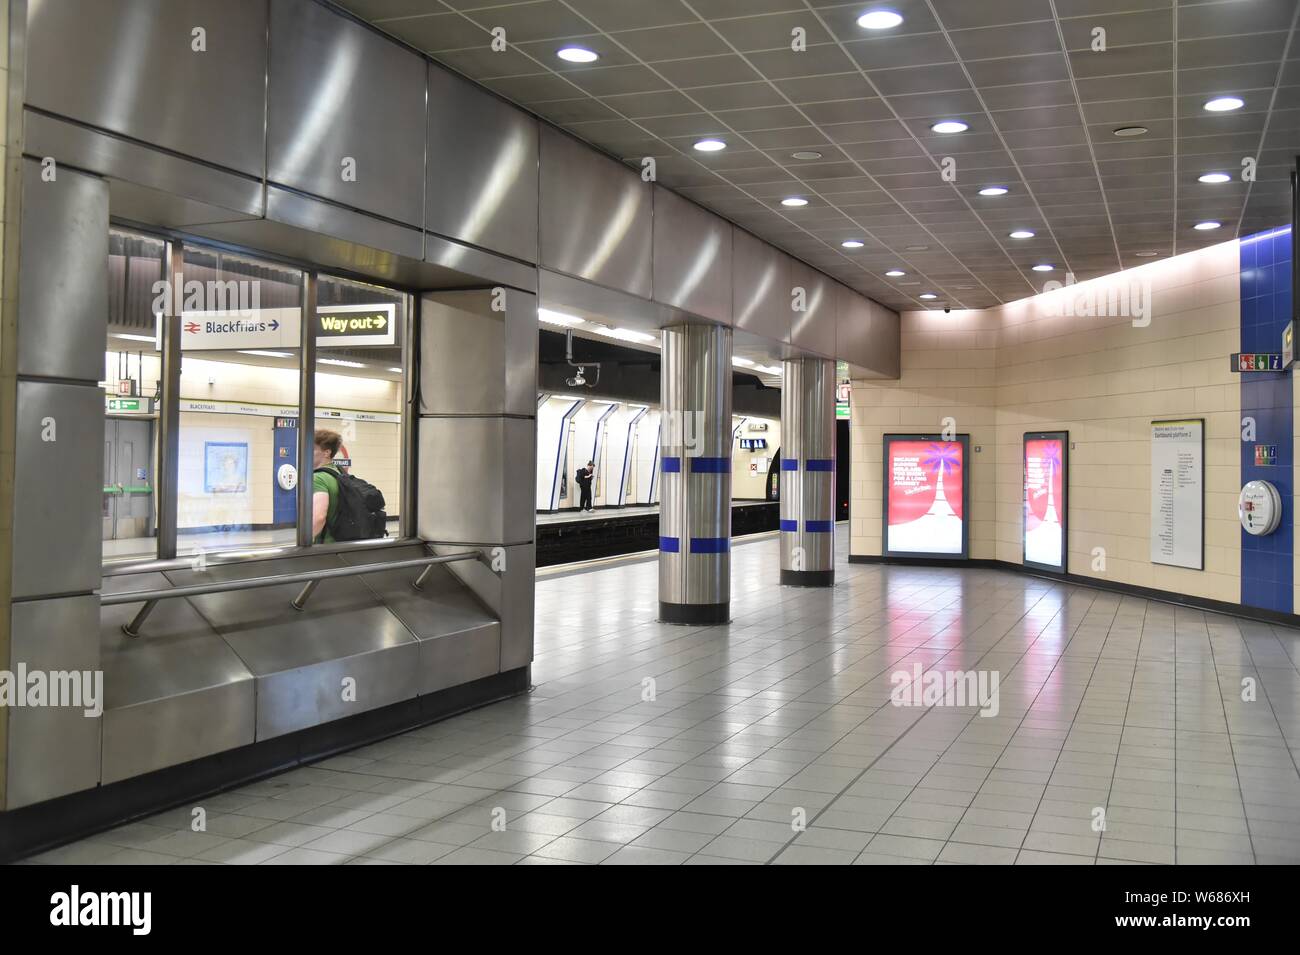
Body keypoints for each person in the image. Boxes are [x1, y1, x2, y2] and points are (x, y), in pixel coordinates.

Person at [311, 429, 344, 543]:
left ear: (327, 452)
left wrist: (304, 542)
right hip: (341, 540)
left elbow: (319, 517)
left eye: (313, 450)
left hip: (325, 544)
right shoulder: (339, 473)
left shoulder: (318, 478)